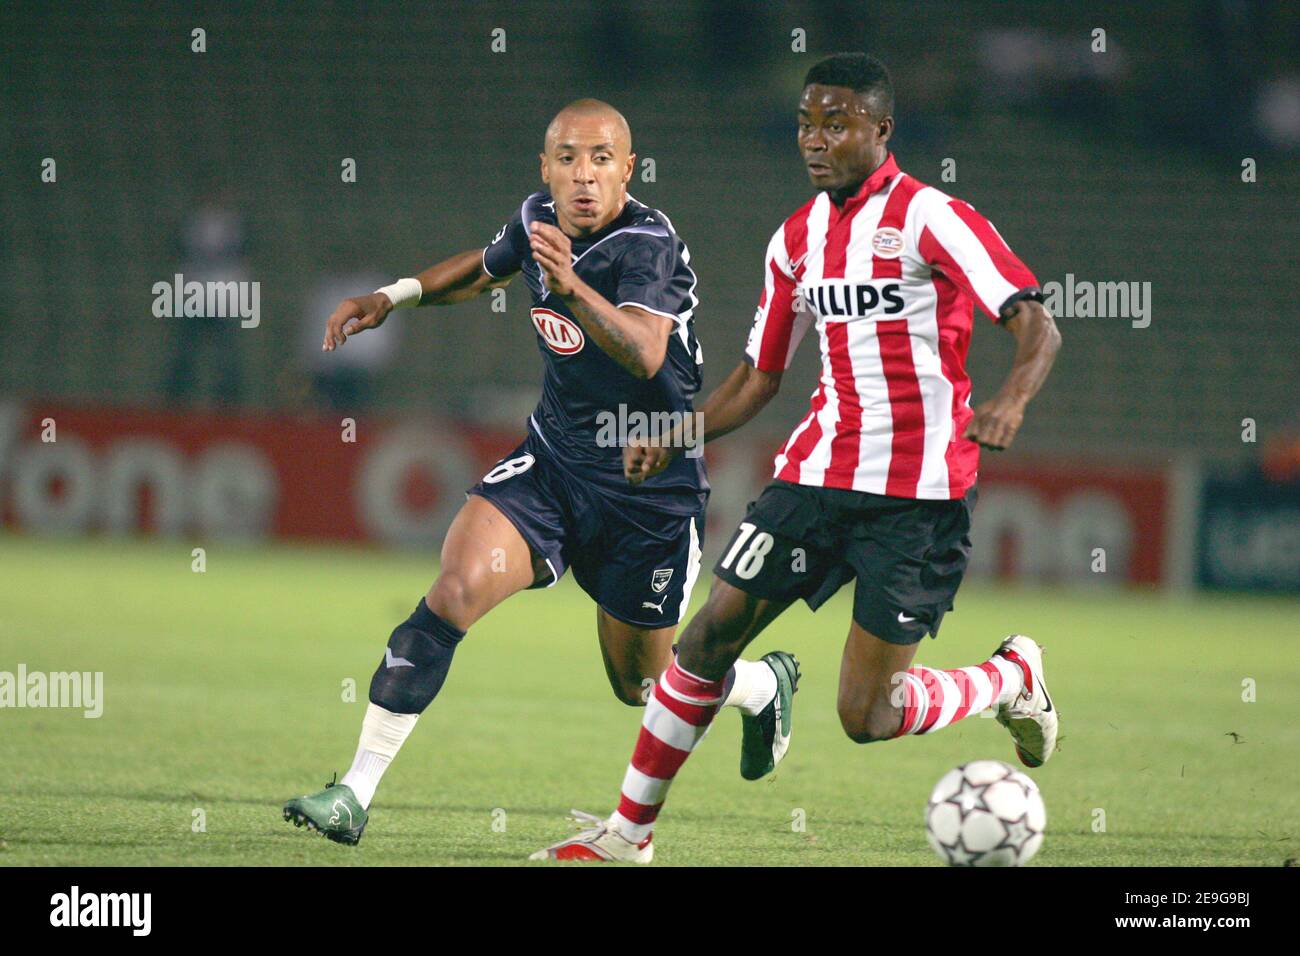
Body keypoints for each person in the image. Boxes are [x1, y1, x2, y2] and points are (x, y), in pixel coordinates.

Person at [532, 55, 1062, 864]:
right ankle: (626, 837)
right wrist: (678, 435)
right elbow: (758, 378)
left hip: (916, 492)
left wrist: (1012, 399)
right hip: (814, 475)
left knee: (867, 716)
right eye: (808, 123)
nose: (817, 139)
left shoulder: (935, 218)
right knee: (707, 638)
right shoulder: (796, 238)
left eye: (837, 123)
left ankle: (1009, 679)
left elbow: (1034, 322)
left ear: (882, 131)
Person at [283, 99, 797, 846]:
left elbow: (647, 354)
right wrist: (390, 298)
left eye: (599, 158)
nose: (582, 176)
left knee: (644, 687)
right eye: (567, 158)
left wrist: (568, 289)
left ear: (628, 167)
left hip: (649, 487)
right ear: (545, 168)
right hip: (553, 466)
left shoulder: (647, 244)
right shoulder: (537, 221)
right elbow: (484, 269)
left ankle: (760, 685)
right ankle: (354, 793)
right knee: (452, 591)